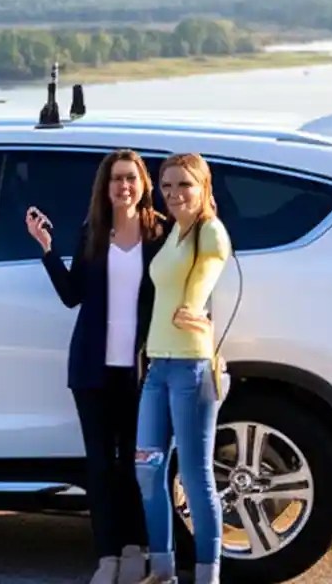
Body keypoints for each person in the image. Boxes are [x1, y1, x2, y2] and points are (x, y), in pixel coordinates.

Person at [26, 149, 170, 584]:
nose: (123, 187)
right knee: (100, 468)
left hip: (140, 371)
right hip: (92, 369)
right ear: (104, 188)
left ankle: (135, 551)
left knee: (135, 464)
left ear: (143, 183)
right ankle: (107, 557)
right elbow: (72, 295)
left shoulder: (160, 234)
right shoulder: (93, 231)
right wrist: (47, 250)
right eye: (115, 179)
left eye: (130, 178)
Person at [133, 153, 233, 584]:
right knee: (148, 469)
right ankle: (163, 570)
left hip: (192, 368)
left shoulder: (210, 232)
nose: (174, 194)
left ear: (204, 186)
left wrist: (192, 307)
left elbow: (207, 273)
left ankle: (207, 577)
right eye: (168, 186)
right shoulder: (175, 231)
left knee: (195, 477)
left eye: (184, 186)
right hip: (157, 367)